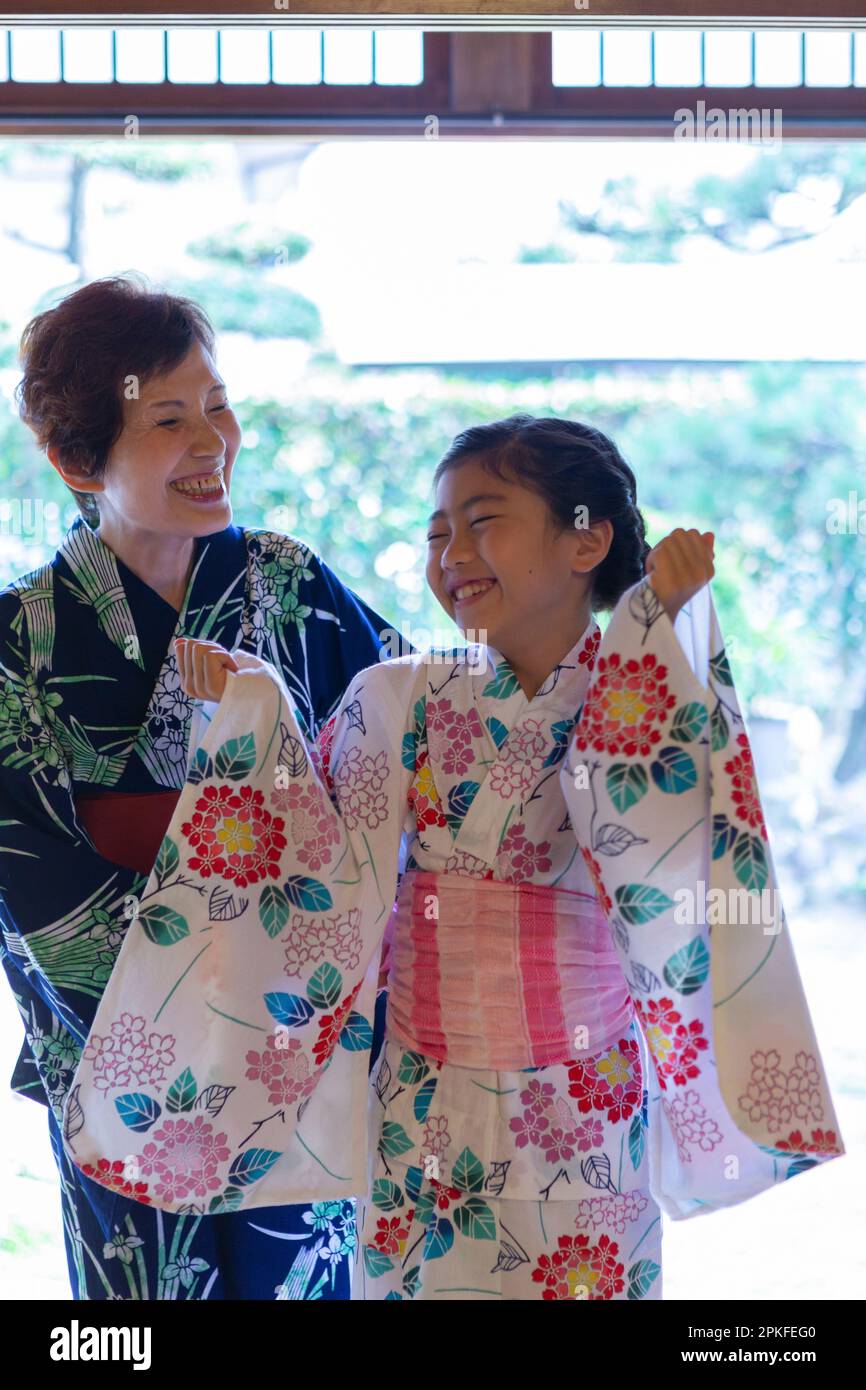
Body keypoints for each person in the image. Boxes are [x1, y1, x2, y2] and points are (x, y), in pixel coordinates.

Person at [63, 414, 844, 1300]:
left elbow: (666, 850)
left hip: (585, 1106)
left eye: (484, 520)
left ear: (586, 538)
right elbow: (321, 859)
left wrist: (667, 630)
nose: (452, 553)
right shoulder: (399, 694)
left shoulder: (637, 686)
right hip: (420, 1099)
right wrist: (261, 710)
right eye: (438, 532)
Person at [0, 273, 402, 1300]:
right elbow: (24, 868)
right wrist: (189, 991)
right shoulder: (20, 637)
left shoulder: (294, 584)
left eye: (218, 406)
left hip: (292, 1045)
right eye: (169, 418)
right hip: (125, 1058)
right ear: (76, 457)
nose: (211, 440)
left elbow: (397, 750)